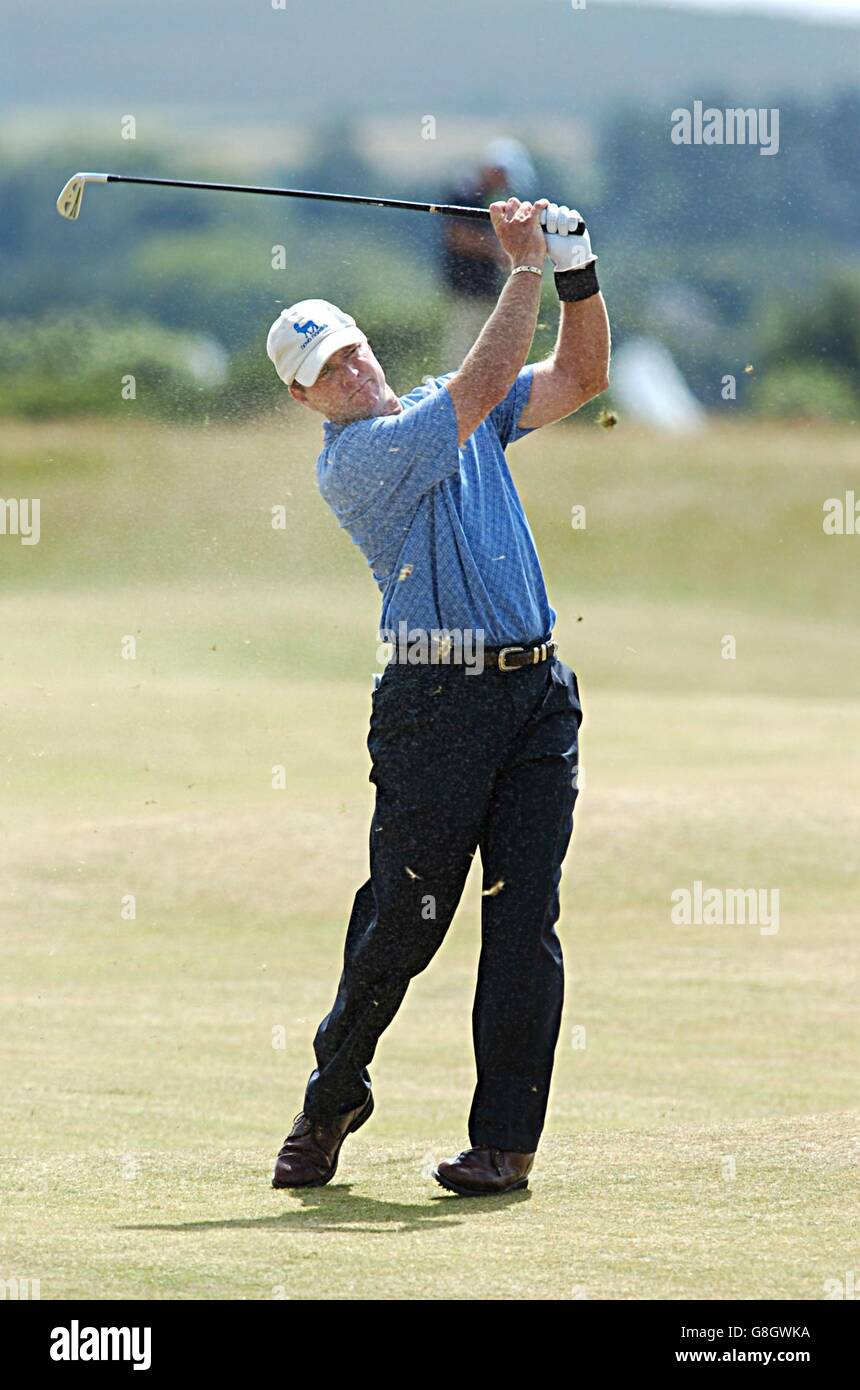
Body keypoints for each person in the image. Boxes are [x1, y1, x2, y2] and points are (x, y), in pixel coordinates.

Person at [265, 196, 610, 1196]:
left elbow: (582, 376)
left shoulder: (438, 402)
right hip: (433, 707)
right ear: (305, 399)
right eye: (328, 369)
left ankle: (503, 1144)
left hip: (536, 696)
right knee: (404, 921)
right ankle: (332, 1096)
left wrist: (575, 266)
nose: (352, 370)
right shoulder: (358, 461)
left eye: (353, 349)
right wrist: (522, 267)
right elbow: (481, 384)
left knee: (522, 918)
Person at [438, 138, 538, 370]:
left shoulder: (486, 196)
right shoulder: (465, 193)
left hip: (484, 289)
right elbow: (457, 235)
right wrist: (498, 249)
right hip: (467, 288)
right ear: (494, 169)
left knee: (484, 353)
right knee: (463, 355)